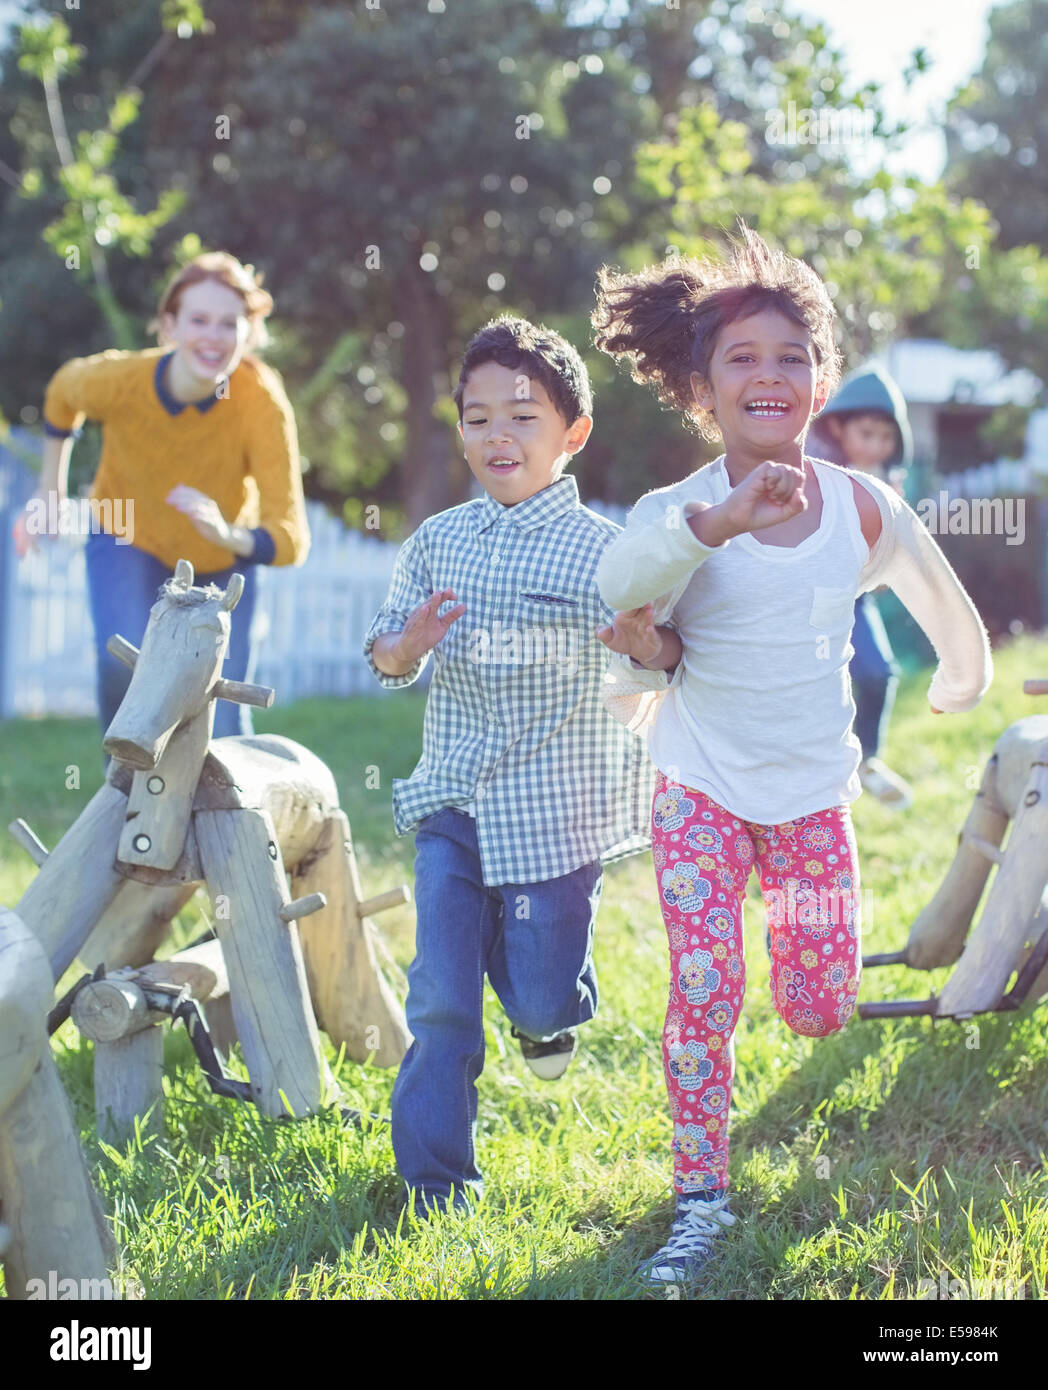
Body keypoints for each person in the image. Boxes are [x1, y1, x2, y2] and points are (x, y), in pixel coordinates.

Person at [590, 225, 992, 1284]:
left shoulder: (859, 505)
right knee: (705, 989)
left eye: (790, 356)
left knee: (815, 1005)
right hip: (700, 792)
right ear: (699, 388)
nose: (768, 373)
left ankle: (802, 980)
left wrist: (960, 680)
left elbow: (941, 602)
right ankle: (699, 1198)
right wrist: (709, 532)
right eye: (741, 358)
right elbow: (626, 579)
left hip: (812, 798)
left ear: (816, 383)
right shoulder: (678, 510)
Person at [363, 315, 656, 1216]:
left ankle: (554, 1005)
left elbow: (649, 658)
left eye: (523, 417)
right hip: (454, 797)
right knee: (442, 998)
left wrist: (641, 645)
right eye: (478, 416)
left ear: (573, 436)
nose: (498, 435)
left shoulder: (605, 552)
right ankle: (435, 1183)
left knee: (533, 998)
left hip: (556, 812)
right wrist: (403, 648)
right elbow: (383, 656)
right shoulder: (437, 542)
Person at [14, 250, 310, 744]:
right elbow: (63, 392)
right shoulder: (123, 382)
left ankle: (218, 814)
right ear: (169, 325)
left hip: (221, 563)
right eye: (198, 320)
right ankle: (124, 787)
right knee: (125, 663)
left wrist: (226, 533)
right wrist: (50, 489)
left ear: (248, 334)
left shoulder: (260, 402)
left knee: (225, 721)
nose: (212, 337)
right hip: (127, 536)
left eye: (228, 324)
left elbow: (292, 538)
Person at [809, 366, 915, 808]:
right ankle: (818, 764)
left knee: (878, 672)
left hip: (854, 599)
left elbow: (895, 546)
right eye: (866, 434)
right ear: (837, 426)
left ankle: (868, 759)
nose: (876, 446)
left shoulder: (886, 487)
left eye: (885, 438)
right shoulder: (817, 473)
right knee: (813, 683)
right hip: (809, 599)